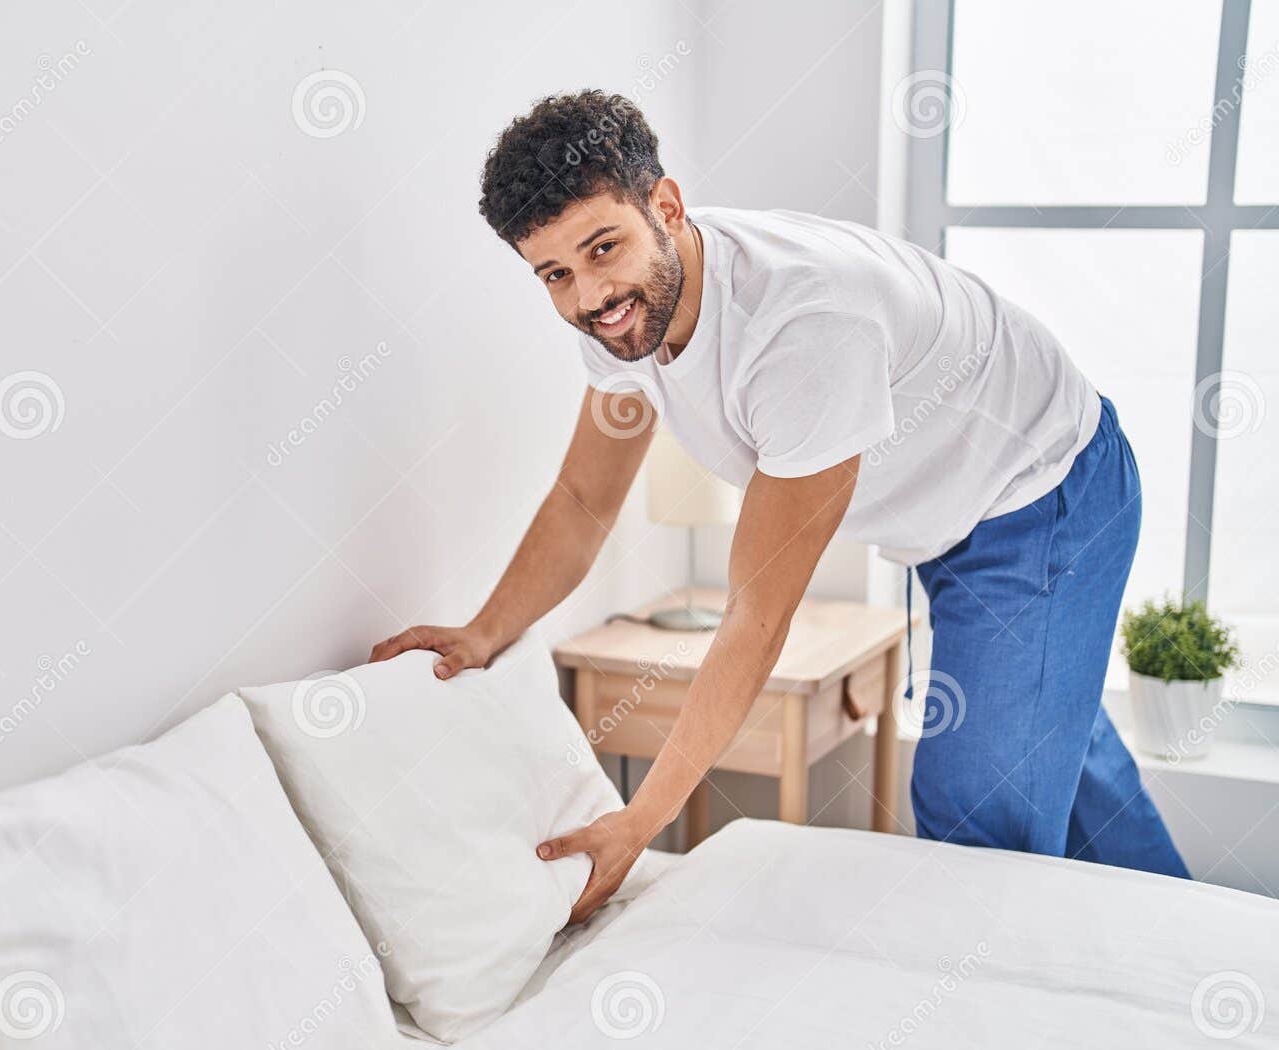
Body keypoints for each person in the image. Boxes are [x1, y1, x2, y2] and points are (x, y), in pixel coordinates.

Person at [369, 90, 1188, 923]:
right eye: (555, 274)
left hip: (1045, 493)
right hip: (954, 509)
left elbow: (757, 614)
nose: (589, 297)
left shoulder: (802, 330)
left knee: (976, 818)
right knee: (1058, 738)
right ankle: (1197, 965)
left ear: (667, 205)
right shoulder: (623, 319)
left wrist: (639, 823)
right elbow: (584, 499)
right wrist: (482, 632)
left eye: (602, 248)